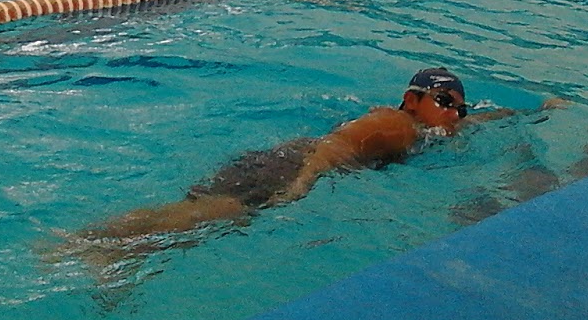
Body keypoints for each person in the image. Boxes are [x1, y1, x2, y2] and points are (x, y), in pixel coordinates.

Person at [46, 67, 560, 275]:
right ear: (412, 99)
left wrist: (537, 109)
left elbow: (481, 121)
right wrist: (302, 182)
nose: (455, 115)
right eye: (446, 102)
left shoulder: (429, 127)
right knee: (225, 210)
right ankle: (88, 242)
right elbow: (335, 146)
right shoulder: (395, 123)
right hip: (295, 163)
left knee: (220, 214)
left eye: (461, 108)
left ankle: (116, 255)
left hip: (290, 157)